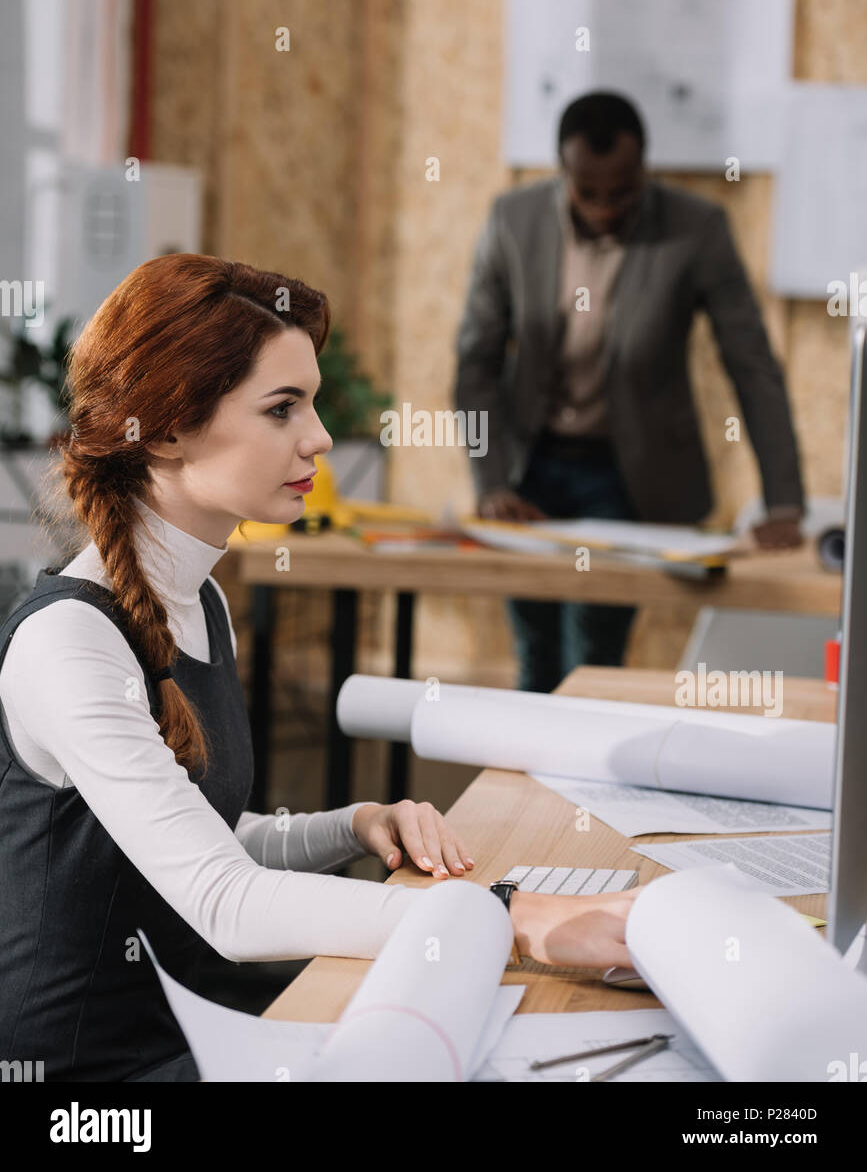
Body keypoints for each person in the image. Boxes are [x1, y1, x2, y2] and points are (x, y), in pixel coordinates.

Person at [0, 254, 640, 1082]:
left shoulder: (201, 603)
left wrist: (351, 826)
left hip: (190, 1027)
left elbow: (197, 839)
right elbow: (225, 902)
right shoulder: (70, 643)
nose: (320, 437)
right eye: (281, 408)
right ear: (163, 429)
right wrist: (513, 916)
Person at [455, 91, 806, 693]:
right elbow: (476, 362)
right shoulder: (513, 221)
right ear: (562, 172)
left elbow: (751, 364)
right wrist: (491, 484)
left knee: (594, 648)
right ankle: (530, 779)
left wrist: (783, 500)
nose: (605, 209)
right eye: (587, 193)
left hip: (626, 470)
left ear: (643, 168)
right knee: (534, 643)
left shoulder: (697, 229)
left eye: (622, 192)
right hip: (529, 463)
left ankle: (579, 780)